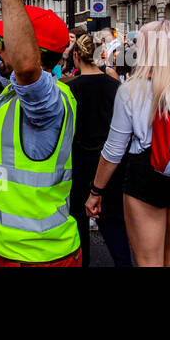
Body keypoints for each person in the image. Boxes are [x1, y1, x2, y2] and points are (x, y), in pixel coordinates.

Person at [85, 20, 170, 266]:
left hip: (145, 172)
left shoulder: (131, 90)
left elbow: (114, 150)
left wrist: (96, 191)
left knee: (148, 259)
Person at [0, 0, 81, 267]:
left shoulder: (47, 100)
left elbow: (25, 66)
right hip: (18, 252)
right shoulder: (12, 88)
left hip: (40, 257)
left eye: (5, 41)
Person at [67, 33, 131, 267]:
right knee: (114, 220)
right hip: (111, 161)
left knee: (77, 219)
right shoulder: (116, 86)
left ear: (76, 56)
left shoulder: (69, 89)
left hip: (78, 161)